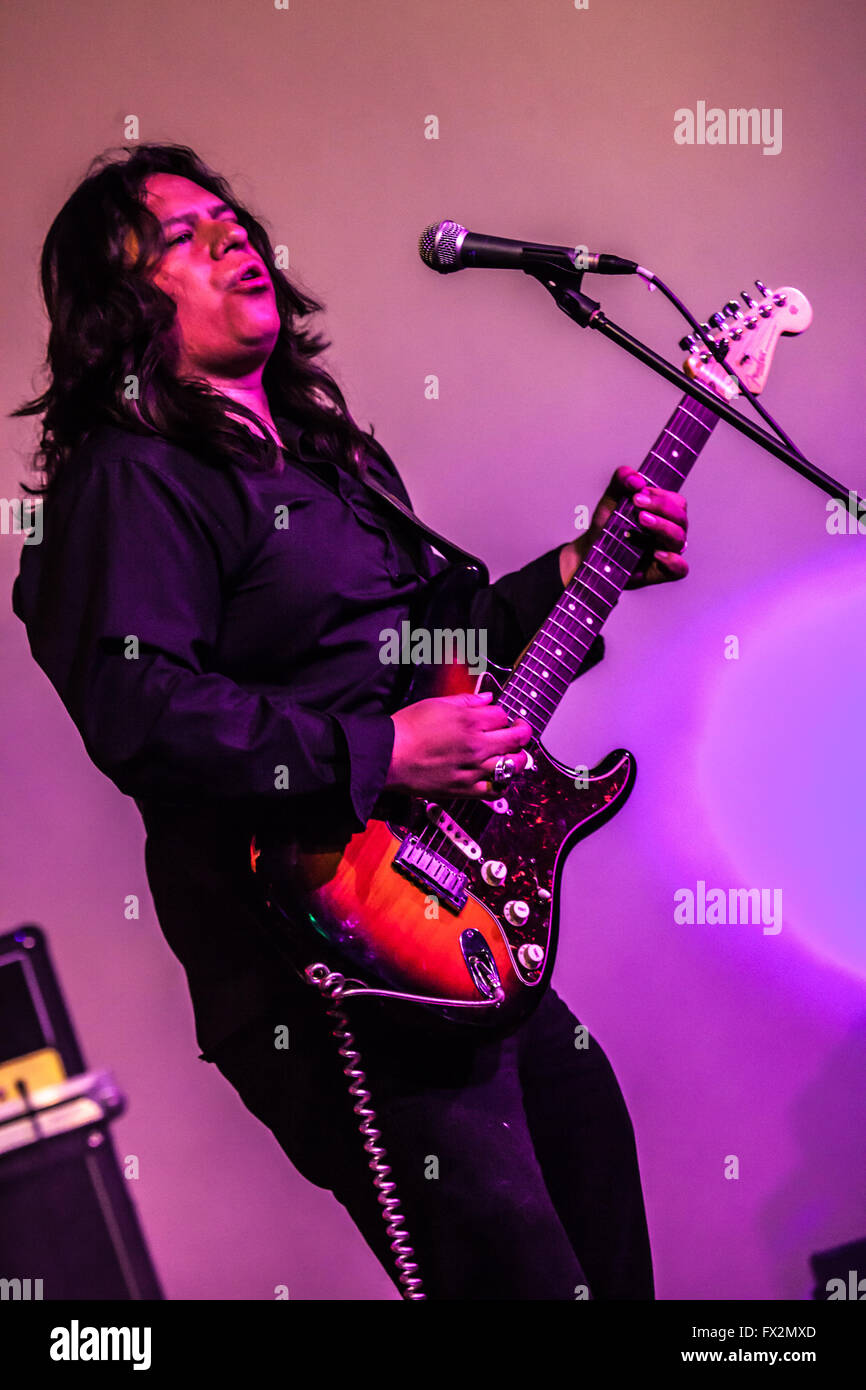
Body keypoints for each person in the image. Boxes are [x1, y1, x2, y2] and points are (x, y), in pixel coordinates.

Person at [11, 144, 688, 1301]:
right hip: (323, 959)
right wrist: (379, 753)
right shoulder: (128, 479)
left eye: (232, 215)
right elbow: (140, 708)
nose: (232, 236)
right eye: (182, 234)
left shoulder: (329, 461)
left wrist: (584, 564)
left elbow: (431, 655)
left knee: (612, 1257)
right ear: (121, 307)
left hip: (462, 929)